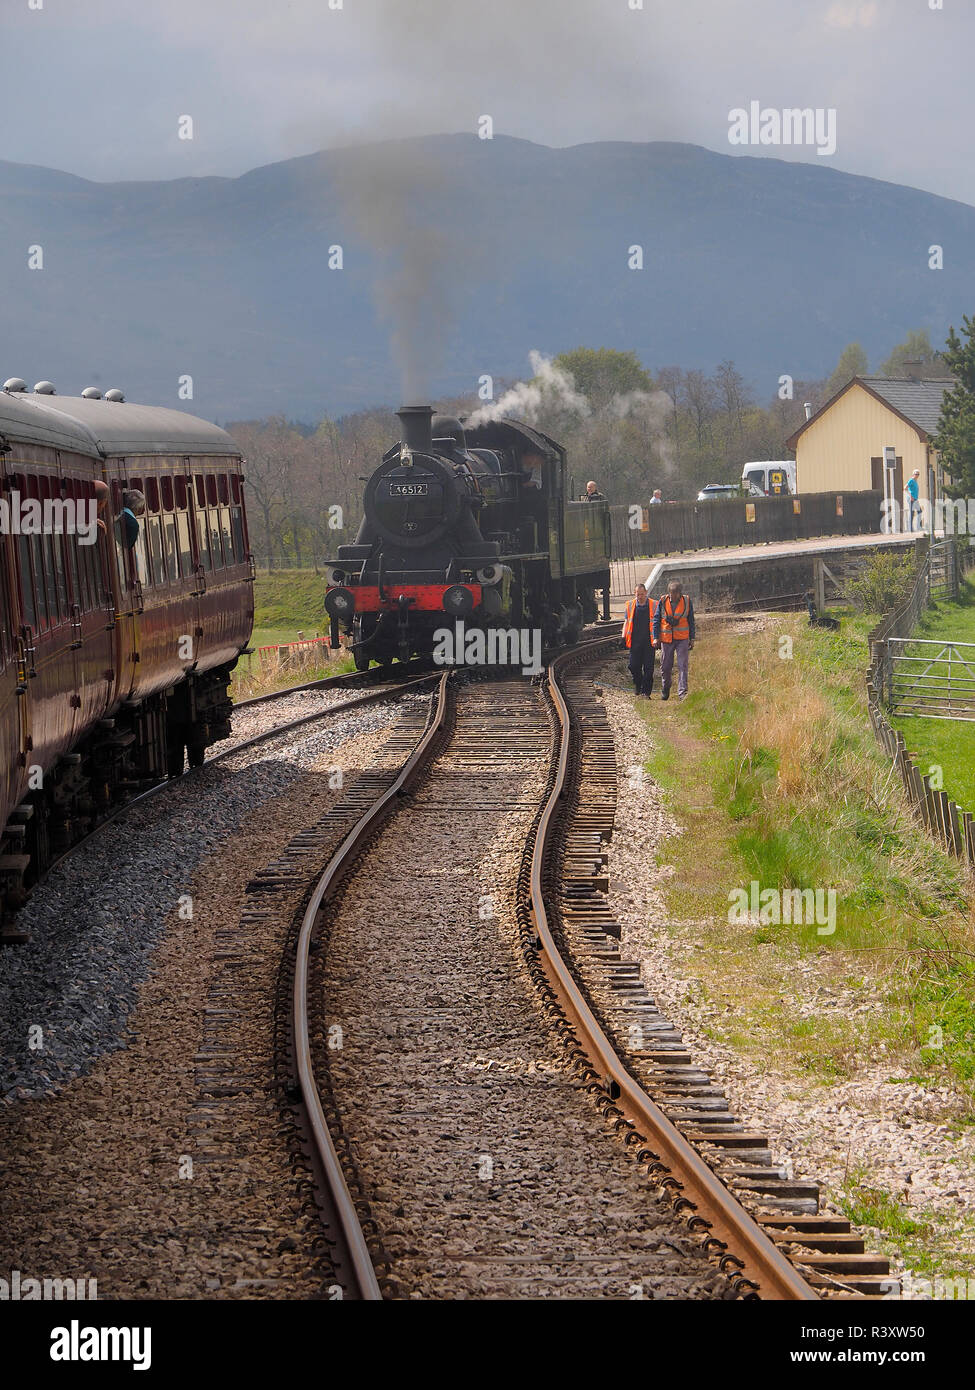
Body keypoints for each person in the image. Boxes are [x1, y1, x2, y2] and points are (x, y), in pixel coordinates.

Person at [653, 578, 695, 701]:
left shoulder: (687, 601)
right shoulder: (662, 601)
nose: (672, 597)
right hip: (666, 640)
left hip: (682, 639)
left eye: (675, 594)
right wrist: (656, 637)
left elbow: (691, 620)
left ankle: (682, 693)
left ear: (679, 593)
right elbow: (656, 620)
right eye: (670, 594)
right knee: (665, 666)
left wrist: (692, 638)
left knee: (683, 666)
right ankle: (666, 687)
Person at [621, 583, 656, 697]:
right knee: (633, 665)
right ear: (634, 593)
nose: (640, 596)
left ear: (646, 593)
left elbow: (659, 622)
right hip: (635, 641)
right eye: (638, 594)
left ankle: (646, 692)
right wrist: (623, 636)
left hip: (649, 642)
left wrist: (658, 638)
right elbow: (626, 622)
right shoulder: (630, 605)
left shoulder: (654, 605)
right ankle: (638, 683)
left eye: (642, 594)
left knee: (648, 668)